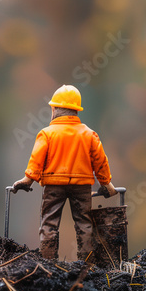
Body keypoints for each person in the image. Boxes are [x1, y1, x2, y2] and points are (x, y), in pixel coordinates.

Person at [12, 85, 117, 260]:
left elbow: (37, 160)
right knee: (84, 223)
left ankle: (48, 261)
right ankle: (86, 263)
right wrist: (106, 183)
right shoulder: (89, 134)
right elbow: (100, 161)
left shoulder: (46, 134)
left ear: (54, 109)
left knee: (49, 223)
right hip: (82, 186)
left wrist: (28, 180)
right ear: (77, 110)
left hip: (54, 185)